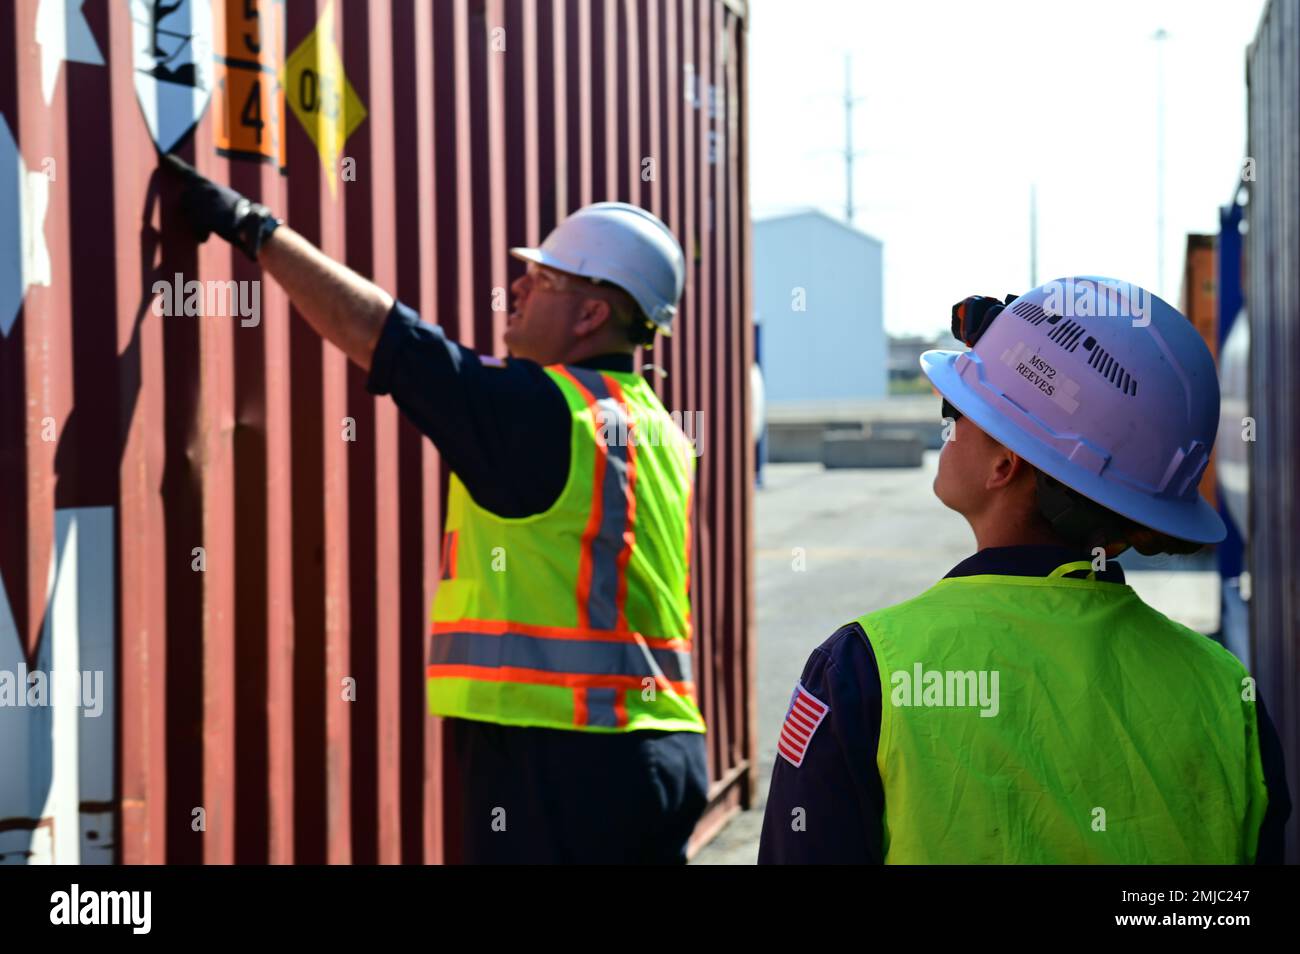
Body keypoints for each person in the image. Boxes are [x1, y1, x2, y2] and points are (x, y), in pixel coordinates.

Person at [162, 154, 708, 864]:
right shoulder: (656, 427)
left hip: (566, 760)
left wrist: (253, 226)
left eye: (543, 278)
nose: (517, 287)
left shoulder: (544, 415)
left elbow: (386, 336)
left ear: (592, 314)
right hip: (662, 750)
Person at [758, 278, 1290, 864]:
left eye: (957, 410)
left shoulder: (861, 671)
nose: (947, 425)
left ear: (1005, 463)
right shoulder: (1225, 691)